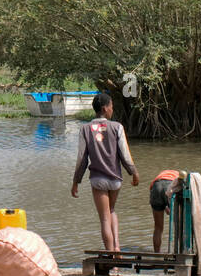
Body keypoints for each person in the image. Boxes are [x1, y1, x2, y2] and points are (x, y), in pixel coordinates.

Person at [71, 94, 138, 253]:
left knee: (104, 219)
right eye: (111, 106)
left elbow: (82, 159)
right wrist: (133, 172)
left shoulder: (85, 129)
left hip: (98, 179)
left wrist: (76, 181)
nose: (112, 109)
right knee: (112, 210)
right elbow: (124, 154)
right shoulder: (117, 127)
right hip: (115, 179)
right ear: (104, 108)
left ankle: (111, 257)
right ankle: (117, 248)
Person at [149, 169, 184, 253]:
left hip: (156, 186)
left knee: (158, 227)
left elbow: (155, 191)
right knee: (178, 226)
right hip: (170, 185)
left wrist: (165, 207)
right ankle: (181, 252)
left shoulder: (159, 176)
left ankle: (157, 254)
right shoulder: (178, 177)